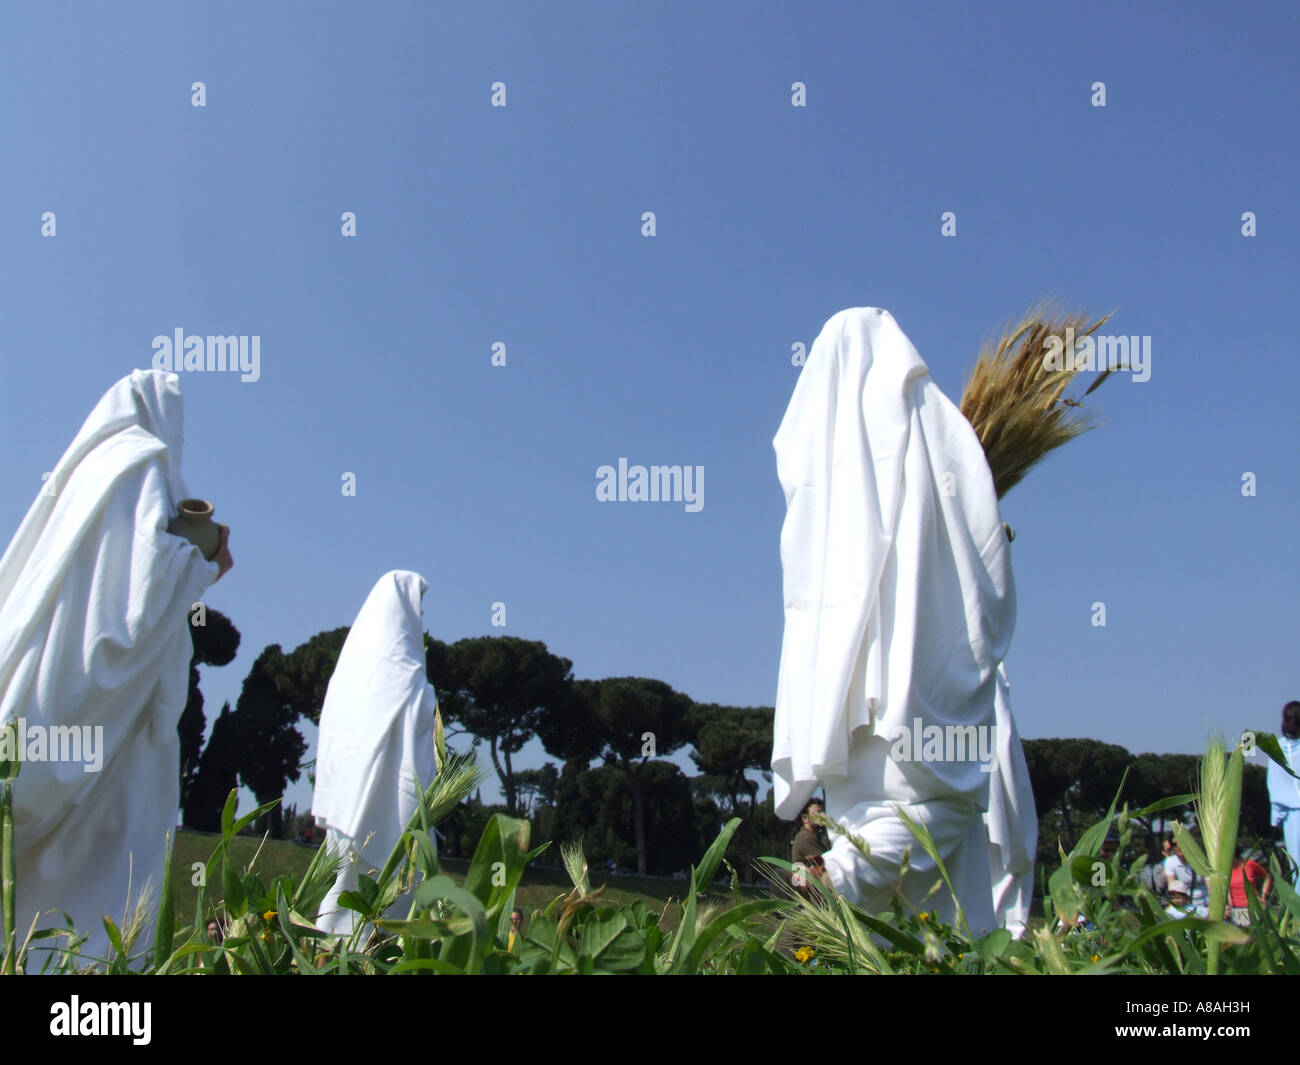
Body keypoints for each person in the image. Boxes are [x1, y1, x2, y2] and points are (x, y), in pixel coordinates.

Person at [771, 308, 1015, 937]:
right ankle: (844, 877)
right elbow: (985, 564)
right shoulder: (943, 436)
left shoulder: (820, 470)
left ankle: (841, 880)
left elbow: (808, 600)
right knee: (940, 818)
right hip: (925, 697)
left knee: (899, 862)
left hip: (849, 710)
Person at [0, 369, 231, 962]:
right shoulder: (140, 463)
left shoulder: (82, 476)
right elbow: (134, 604)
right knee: (98, 898)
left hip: (51, 702)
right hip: (114, 732)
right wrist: (203, 559)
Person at [313, 571, 438, 938]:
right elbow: (419, 718)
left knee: (346, 886)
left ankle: (335, 949)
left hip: (347, 803)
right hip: (388, 801)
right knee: (389, 891)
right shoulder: (405, 669)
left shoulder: (348, 673)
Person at [1267, 701, 1300, 880]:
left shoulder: (1276, 748)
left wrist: (1276, 818)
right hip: (1292, 814)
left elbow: (1273, 784)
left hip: (1292, 817)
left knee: (1298, 869)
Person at [790, 798, 828, 894]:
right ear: (805, 818)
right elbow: (828, 864)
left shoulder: (809, 836)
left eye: (822, 812)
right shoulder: (806, 838)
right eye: (817, 813)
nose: (822, 816)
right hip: (811, 894)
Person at [1227, 848, 1272, 927]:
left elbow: (1267, 876)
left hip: (1254, 907)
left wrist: (1263, 895)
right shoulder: (1225, 870)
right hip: (1236, 910)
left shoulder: (1249, 864)